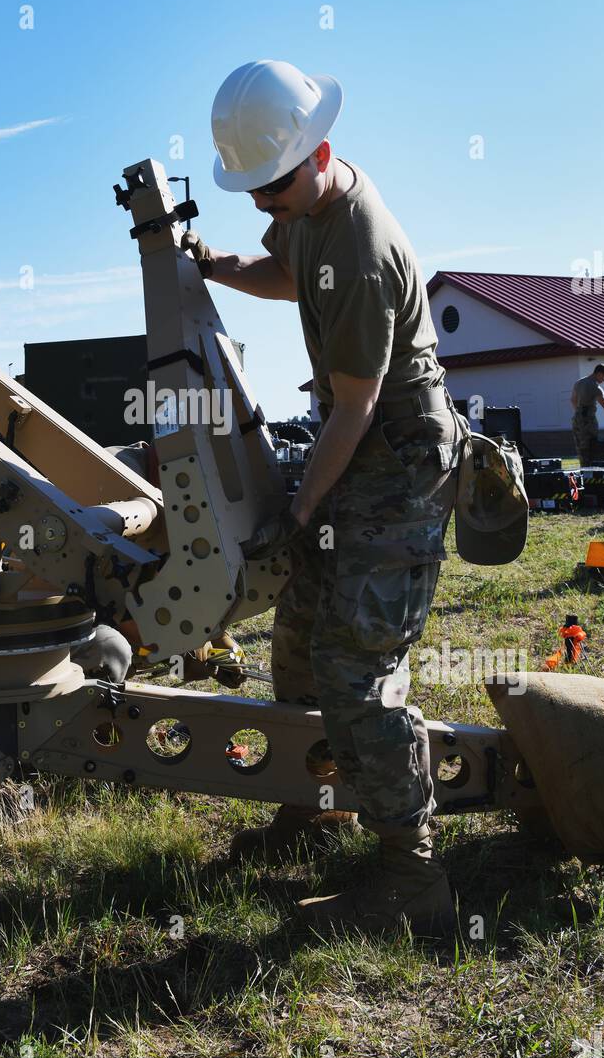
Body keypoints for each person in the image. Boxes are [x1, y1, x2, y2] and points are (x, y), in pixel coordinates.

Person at [179, 59, 468, 936]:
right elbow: (291, 273)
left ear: (322, 154)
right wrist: (221, 265)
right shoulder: (304, 208)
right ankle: (313, 804)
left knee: (355, 670)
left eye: (274, 191)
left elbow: (354, 406)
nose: (265, 207)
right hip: (356, 456)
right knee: (299, 635)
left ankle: (413, 882)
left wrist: (299, 512)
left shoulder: (362, 240)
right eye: (253, 194)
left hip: (397, 465)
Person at [571, 364, 604, 466]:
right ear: (599, 373)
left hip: (576, 419)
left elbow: (573, 400)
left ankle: (584, 471)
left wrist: (579, 414)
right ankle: (590, 471)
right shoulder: (595, 387)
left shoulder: (579, 383)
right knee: (591, 448)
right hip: (588, 421)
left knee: (580, 449)